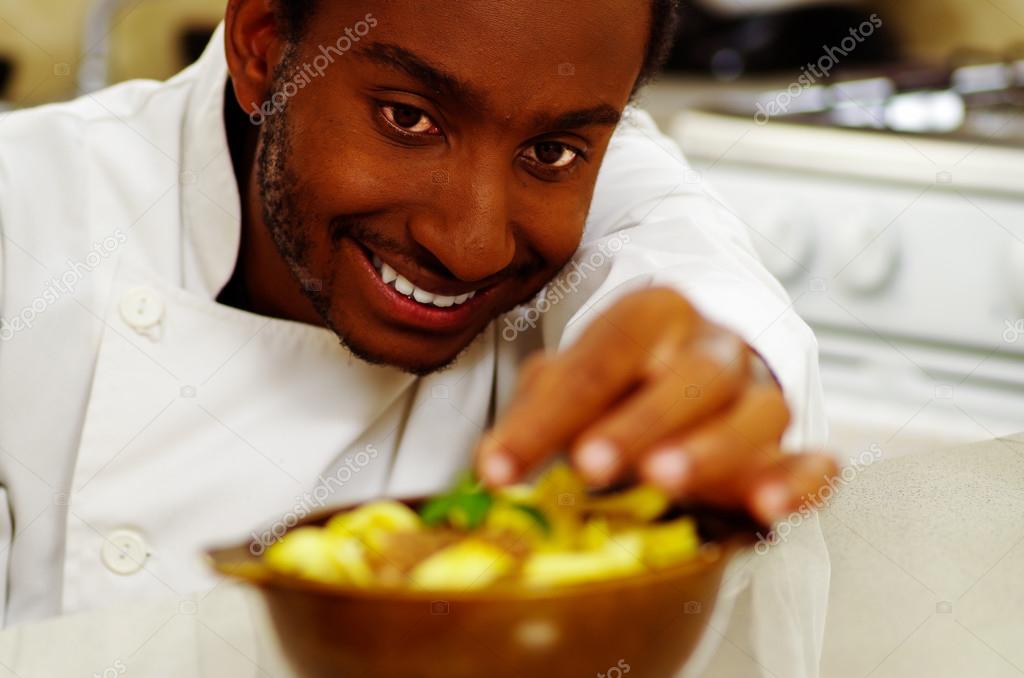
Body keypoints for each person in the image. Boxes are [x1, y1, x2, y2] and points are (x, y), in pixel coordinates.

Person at [0, 0, 835, 674]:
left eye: (551, 153)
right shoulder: (28, 210)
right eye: (409, 118)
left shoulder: (623, 198)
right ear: (261, 48)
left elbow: (693, 284)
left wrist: (716, 384)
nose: (473, 246)